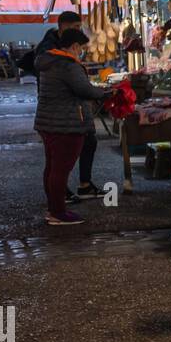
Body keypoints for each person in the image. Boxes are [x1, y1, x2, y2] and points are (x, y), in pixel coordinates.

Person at [34, 28, 109, 226]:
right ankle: (58, 213)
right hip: (66, 123)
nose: (81, 52)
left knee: (52, 168)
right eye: (81, 48)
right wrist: (104, 93)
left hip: (48, 122)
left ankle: (53, 209)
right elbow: (84, 89)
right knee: (60, 170)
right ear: (75, 46)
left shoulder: (49, 61)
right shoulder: (68, 65)